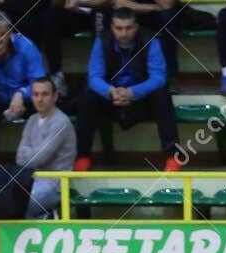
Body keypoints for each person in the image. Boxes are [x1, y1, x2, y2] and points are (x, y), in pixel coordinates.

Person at [75, 8, 180, 173]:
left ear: (136, 27)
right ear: (112, 27)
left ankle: (172, 157)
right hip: (112, 99)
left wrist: (133, 92)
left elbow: (158, 78)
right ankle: (82, 157)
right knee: (88, 96)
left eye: (128, 28)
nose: (124, 33)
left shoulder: (151, 40)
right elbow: (94, 77)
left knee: (162, 96)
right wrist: (111, 92)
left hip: (141, 100)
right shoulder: (101, 41)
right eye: (119, 28)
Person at [0, 11, 47, 163]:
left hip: (25, 100)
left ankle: (41, 160)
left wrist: (22, 93)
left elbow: (40, 82)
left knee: (44, 100)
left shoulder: (26, 46)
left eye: (3, 34)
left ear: (10, 32)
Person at [17, 74, 74, 217]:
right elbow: (19, 157)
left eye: (45, 94)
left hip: (55, 185)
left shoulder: (61, 122)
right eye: (35, 94)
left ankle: (45, 216)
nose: (39, 99)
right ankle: (44, 217)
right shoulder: (31, 119)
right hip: (31, 181)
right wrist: (35, 154)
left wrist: (30, 153)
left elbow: (40, 158)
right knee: (5, 202)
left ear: (55, 97)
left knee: (17, 206)